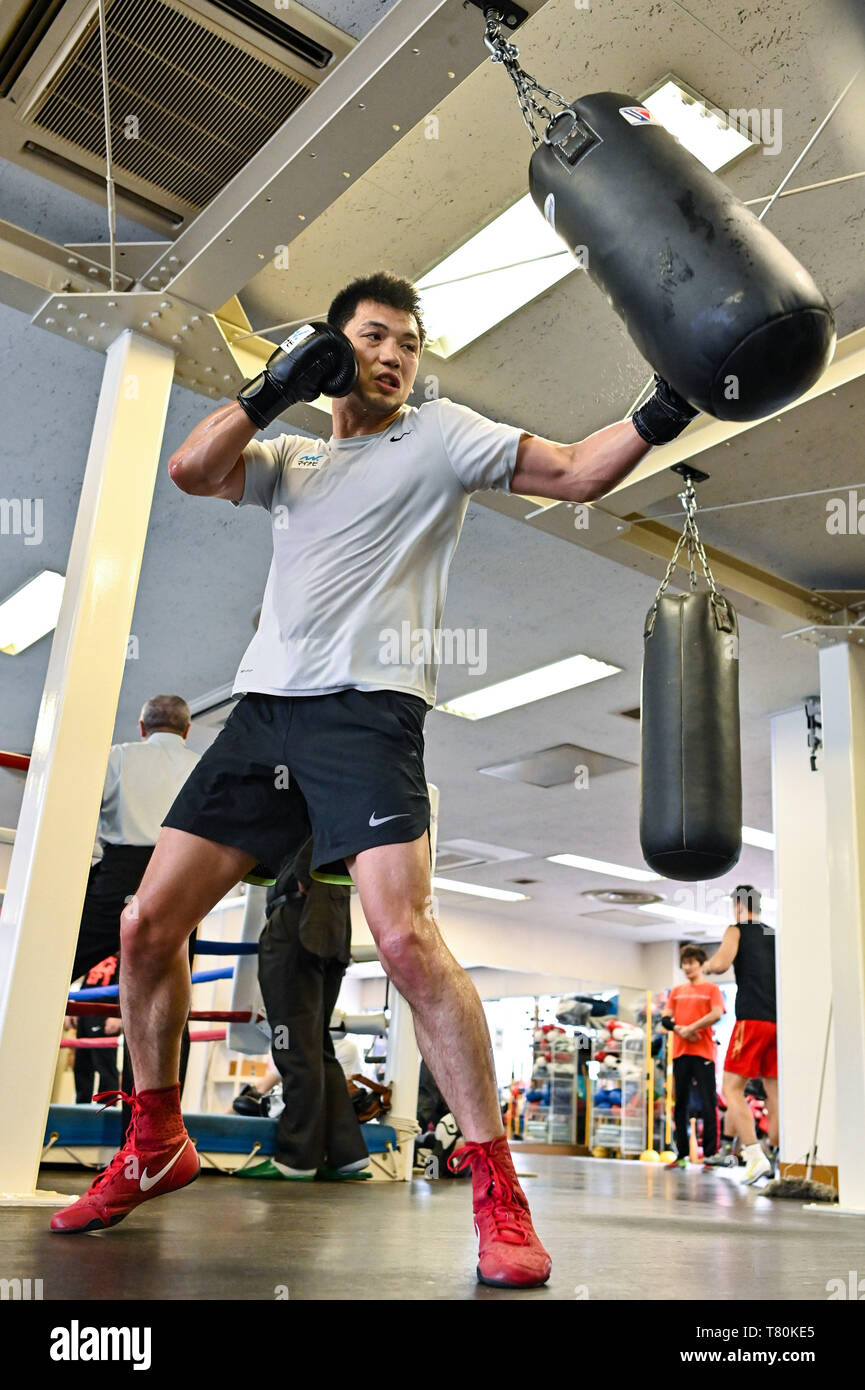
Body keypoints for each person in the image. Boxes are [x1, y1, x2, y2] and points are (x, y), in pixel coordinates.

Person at [52, 272, 698, 1286]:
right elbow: (187, 469)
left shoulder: (440, 435)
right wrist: (270, 392)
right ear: (334, 349)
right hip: (264, 710)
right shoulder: (295, 456)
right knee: (143, 926)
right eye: (373, 337)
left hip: (368, 711)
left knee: (403, 936)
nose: (395, 356)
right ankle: (154, 1137)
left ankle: (495, 1182)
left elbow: (576, 472)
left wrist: (668, 404)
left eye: (407, 342)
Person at [66, 696, 201, 1126]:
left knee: (47, 972)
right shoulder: (203, 766)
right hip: (180, 882)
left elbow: (80, 816)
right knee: (165, 1006)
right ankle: (149, 1135)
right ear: (187, 730)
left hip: (121, 881)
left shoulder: (119, 758)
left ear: (142, 727)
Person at [238, 836, 370, 1181]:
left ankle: (296, 1159)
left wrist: (302, 874)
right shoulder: (344, 796)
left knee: (294, 1044)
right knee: (317, 1046)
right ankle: (346, 1153)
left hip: (299, 916)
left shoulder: (300, 787)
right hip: (332, 922)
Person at [703, 885, 779, 1184]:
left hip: (752, 1018)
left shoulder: (736, 930)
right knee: (774, 1090)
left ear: (737, 906)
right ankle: (776, 1152)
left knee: (732, 1088)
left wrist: (708, 966)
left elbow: (721, 962)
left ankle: (754, 1155)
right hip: (777, 1020)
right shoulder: (773, 933)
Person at [661, 945, 725, 1169]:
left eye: (692, 962)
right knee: (681, 1104)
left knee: (708, 1103)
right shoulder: (676, 991)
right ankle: (681, 1154)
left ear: (700, 964)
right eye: (685, 963)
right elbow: (666, 1019)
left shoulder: (711, 989)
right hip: (681, 1052)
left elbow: (717, 1013)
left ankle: (709, 1155)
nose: (688, 967)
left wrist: (693, 1027)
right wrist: (682, 1030)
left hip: (704, 1051)